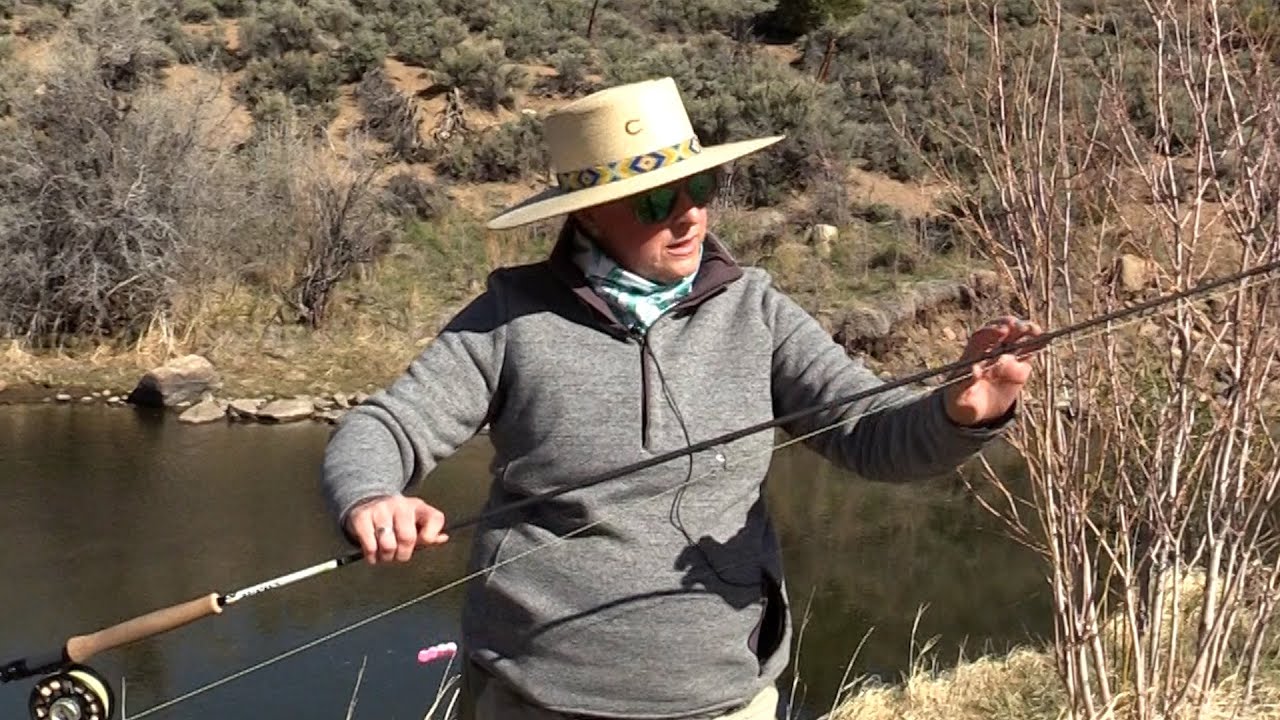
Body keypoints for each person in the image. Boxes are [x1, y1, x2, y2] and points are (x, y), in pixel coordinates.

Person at [320, 77, 1040, 720]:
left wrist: (961, 413)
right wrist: (371, 496)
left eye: (701, 188)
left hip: (728, 697)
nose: (690, 215)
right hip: (538, 697)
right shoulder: (511, 318)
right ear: (592, 214)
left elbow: (868, 431)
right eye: (659, 199)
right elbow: (384, 426)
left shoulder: (755, 310)